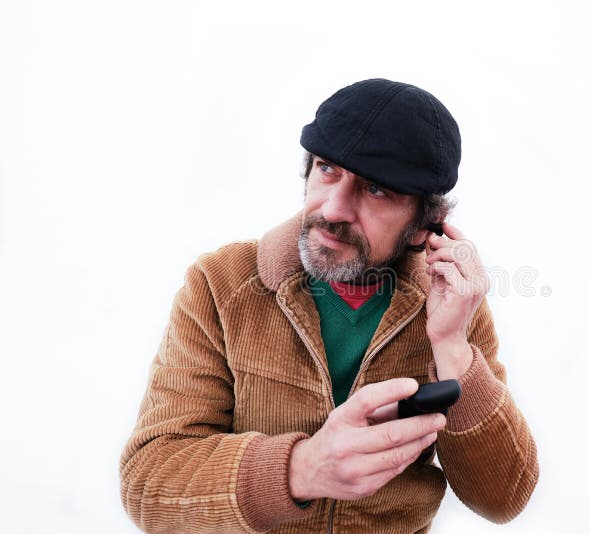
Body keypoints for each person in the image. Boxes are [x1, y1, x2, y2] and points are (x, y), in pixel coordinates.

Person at [119, 78, 539, 533]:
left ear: (425, 227)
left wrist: (452, 346)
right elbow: (148, 481)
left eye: (376, 189)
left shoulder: (453, 305)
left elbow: (504, 499)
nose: (333, 208)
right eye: (327, 169)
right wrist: (302, 469)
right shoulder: (220, 286)